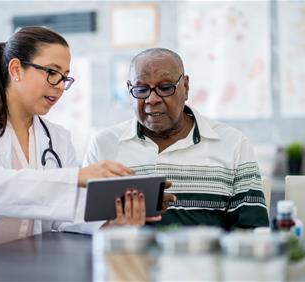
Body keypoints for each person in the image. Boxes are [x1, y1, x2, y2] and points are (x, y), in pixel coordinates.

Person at [0, 27, 153, 264]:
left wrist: (113, 220)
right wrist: (76, 177)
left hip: (21, 265)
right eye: (52, 72)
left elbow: (63, 214)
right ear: (16, 69)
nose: (60, 86)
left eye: (65, 77)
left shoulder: (57, 137)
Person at [84, 48, 269, 230]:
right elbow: (82, 228)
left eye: (165, 88)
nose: (152, 99)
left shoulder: (233, 143)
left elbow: (252, 230)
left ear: (186, 87)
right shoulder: (103, 145)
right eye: (141, 89)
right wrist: (117, 224)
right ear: (129, 90)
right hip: (127, 258)